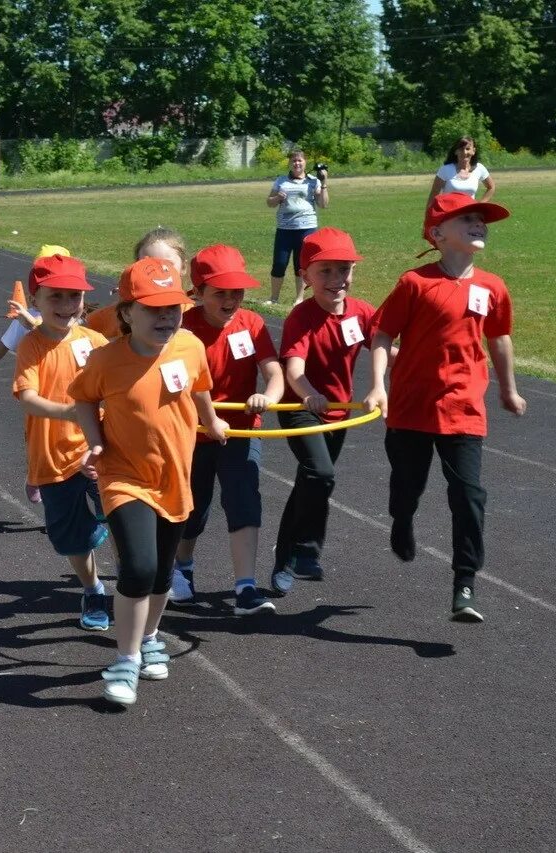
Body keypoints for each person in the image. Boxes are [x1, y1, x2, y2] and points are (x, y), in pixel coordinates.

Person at [70, 257, 228, 705]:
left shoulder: (190, 346)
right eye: (153, 309)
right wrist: (95, 441)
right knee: (138, 567)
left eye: (172, 308)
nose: (165, 317)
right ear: (126, 312)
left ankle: (151, 635)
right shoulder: (106, 360)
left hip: (174, 475)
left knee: (161, 573)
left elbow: (199, 387)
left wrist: (212, 420)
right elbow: (84, 399)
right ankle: (126, 660)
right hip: (124, 477)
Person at [364, 192, 526, 623]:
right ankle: (402, 519)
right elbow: (382, 335)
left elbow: (499, 338)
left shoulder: (493, 286)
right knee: (407, 487)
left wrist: (508, 390)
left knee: (469, 496)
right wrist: (378, 385)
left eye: (481, 219)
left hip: (464, 408)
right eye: (467, 219)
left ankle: (465, 583)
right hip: (412, 408)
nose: (479, 224)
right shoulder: (415, 283)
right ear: (437, 234)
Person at [173, 245, 285, 616]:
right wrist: (204, 418)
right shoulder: (181, 327)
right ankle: (183, 567)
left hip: (240, 430)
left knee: (243, 499)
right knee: (193, 508)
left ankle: (245, 587)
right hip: (193, 432)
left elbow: (273, 371)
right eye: (220, 292)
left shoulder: (251, 323)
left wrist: (267, 397)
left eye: (236, 291)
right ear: (198, 292)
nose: (230, 300)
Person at [270, 228, 376, 595]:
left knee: (310, 482)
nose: (336, 279)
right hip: (301, 407)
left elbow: (386, 348)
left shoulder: (361, 312)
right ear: (306, 276)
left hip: (338, 411)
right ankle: (306, 551)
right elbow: (294, 371)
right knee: (321, 472)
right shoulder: (302, 316)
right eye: (325, 271)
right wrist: (311, 395)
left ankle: (284, 558)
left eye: (344, 269)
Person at [12, 253, 112, 632]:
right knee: (73, 540)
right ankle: (93, 588)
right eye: (56, 296)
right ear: (35, 299)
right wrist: (69, 412)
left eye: (75, 296)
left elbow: (116, 392)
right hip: (53, 459)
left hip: (99, 451)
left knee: (124, 516)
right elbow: (27, 397)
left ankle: (133, 586)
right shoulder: (32, 346)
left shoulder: (97, 342)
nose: (67, 305)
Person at [0, 244, 66, 504]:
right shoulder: (27, 319)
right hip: (39, 397)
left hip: (73, 397)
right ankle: (37, 473)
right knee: (43, 445)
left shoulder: (78, 318)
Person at [84, 227, 188, 340]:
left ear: (183, 267)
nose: (157, 272)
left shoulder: (194, 314)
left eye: (167, 264)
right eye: (147, 264)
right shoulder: (107, 317)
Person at [265, 148, 328, 305]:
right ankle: (273, 298)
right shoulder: (281, 181)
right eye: (294, 160)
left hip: (306, 228)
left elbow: (323, 204)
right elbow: (269, 202)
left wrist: (324, 183)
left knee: (301, 265)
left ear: (305, 162)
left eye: (300, 160)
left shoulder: (313, 181)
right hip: (285, 229)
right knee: (279, 264)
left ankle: (299, 299)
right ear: (289, 163)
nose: (297, 163)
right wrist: (277, 197)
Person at [428, 136, 496, 205]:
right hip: (450, 211)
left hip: (470, 211)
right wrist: (429, 211)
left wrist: (480, 204)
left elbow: (491, 187)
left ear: (473, 151)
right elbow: (434, 194)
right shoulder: (445, 170)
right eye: (461, 149)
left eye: (468, 149)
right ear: (456, 151)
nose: (464, 152)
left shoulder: (479, 168)